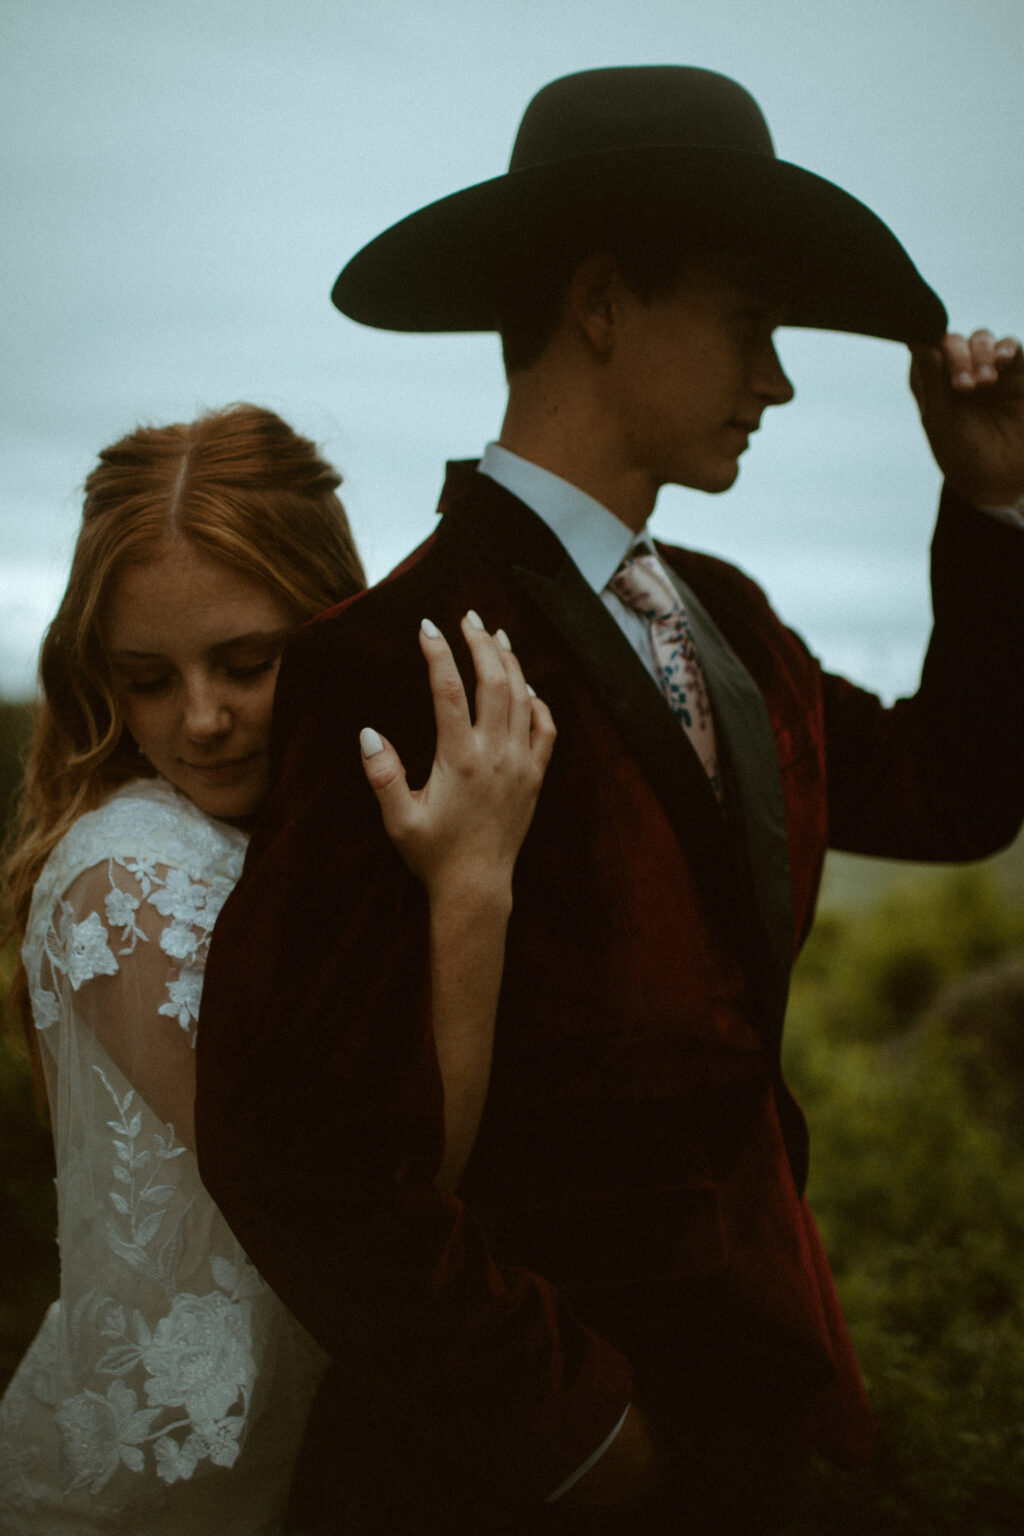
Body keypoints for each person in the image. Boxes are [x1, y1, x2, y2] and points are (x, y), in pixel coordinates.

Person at [193, 68, 1024, 1536]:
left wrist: (993, 501)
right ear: (598, 301)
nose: (776, 379)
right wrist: (572, 1432)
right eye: (749, 320)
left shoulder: (733, 619)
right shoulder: (391, 660)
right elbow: (296, 1144)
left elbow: (960, 796)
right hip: (518, 1471)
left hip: (747, 1422)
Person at [0, 403, 555, 1534]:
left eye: (247, 663)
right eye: (146, 679)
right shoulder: (136, 876)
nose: (200, 720)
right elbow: (375, 1189)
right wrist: (472, 885)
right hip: (147, 1507)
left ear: (331, 620)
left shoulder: (299, 840)